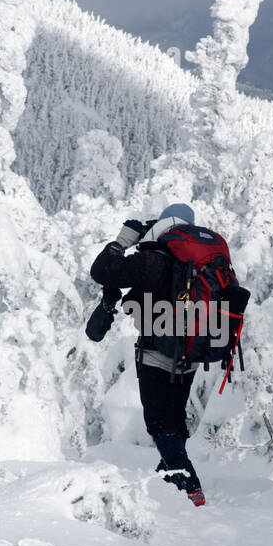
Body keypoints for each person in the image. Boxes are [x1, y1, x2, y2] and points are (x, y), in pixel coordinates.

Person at [89, 202, 208, 506]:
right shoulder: (201, 263)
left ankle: (188, 484)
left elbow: (101, 271)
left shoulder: (152, 261)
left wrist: (121, 243)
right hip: (192, 352)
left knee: (159, 423)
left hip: (157, 353)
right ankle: (168, 474)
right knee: (175, 417)